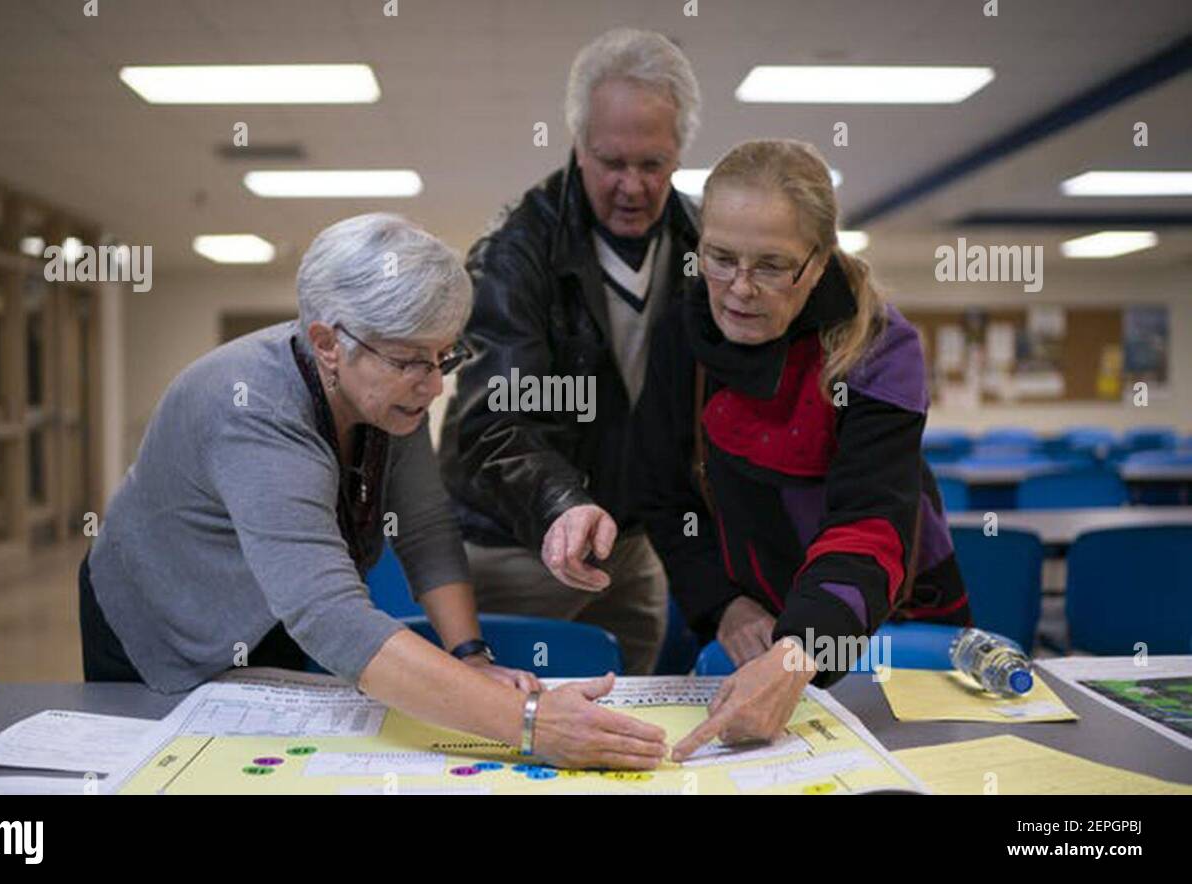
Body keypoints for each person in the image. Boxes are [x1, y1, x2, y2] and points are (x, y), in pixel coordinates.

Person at [81, 213, 666, 770]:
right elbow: (327, 612)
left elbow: (426, 528)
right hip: (159, 618)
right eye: (413, 361)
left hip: (266, 611)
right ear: (328, 343)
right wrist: (532, 722)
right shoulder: (248, 407)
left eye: (444, 357)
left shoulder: (383, 394)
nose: (434, 385)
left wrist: (473, 657)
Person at [633, 140, 972, 760]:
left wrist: (801, 648)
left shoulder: (878, 346)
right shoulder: (681, 333)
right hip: (754, 607)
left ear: (818, 262)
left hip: (883, 605)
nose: (739, 289)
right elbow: (664, 494)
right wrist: (724, 604)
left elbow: (869, 527)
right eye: (720, 257)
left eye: (771, 265)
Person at [438, 28, 702, 673]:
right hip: (516, 543)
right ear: (579, 146)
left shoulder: (705, 243)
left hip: (631, 544)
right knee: (509, 721)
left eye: (653, 164)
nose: (633, 186)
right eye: (613, 162)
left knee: (629, 714)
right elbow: (492, 420)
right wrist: (564, 505)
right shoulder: (515, 252)